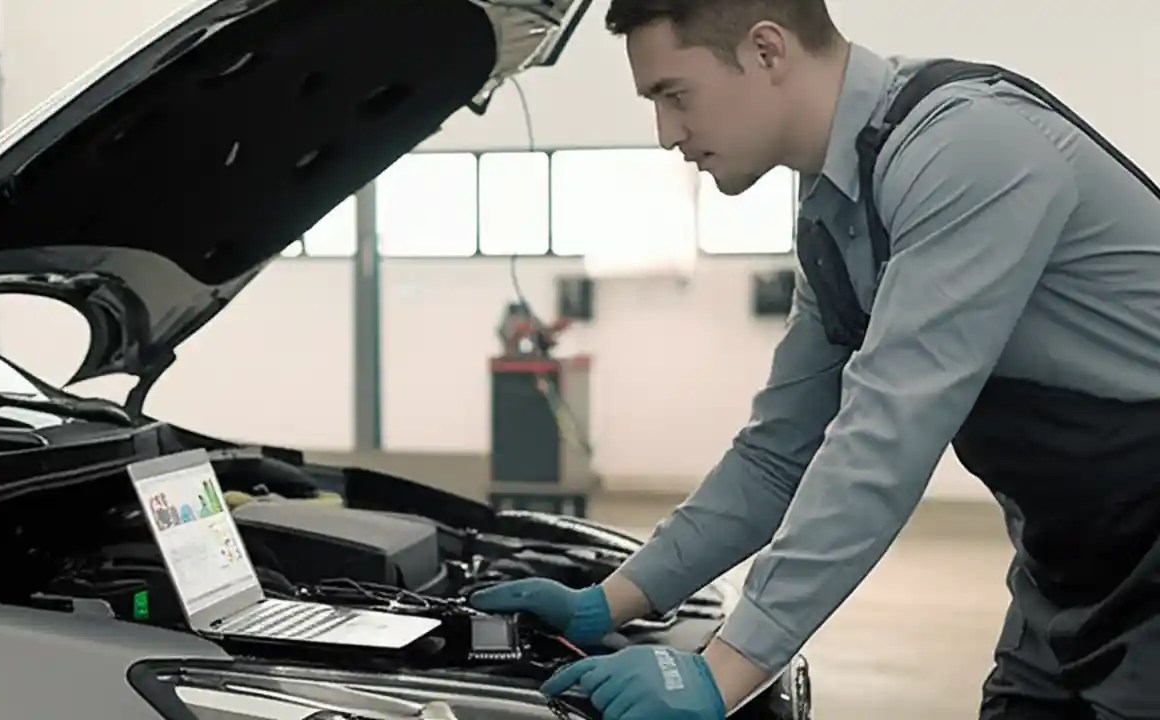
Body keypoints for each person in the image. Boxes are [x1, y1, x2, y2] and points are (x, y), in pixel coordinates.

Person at [468, 1, 1160, 718]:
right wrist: (609, 600)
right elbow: (778, 453)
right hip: (1074, 567)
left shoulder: (968, 149)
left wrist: (724, 671)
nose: (667, 134)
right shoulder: (838, 211)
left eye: (674, 95)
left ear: (767, 51)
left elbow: (885, 439)